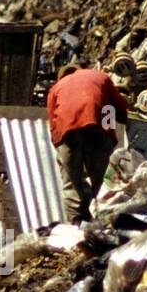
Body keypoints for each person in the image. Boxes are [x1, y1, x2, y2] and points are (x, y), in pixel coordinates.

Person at [46, 63, 129, 223]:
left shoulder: (56, 87)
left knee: (71, 178)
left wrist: (61, 150)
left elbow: (53, 122)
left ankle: (76, 221)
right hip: (99, 125)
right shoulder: (101, 77)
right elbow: (118, 104)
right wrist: (110, 137)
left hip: (67, 129)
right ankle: (92, 212)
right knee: (97, 173)